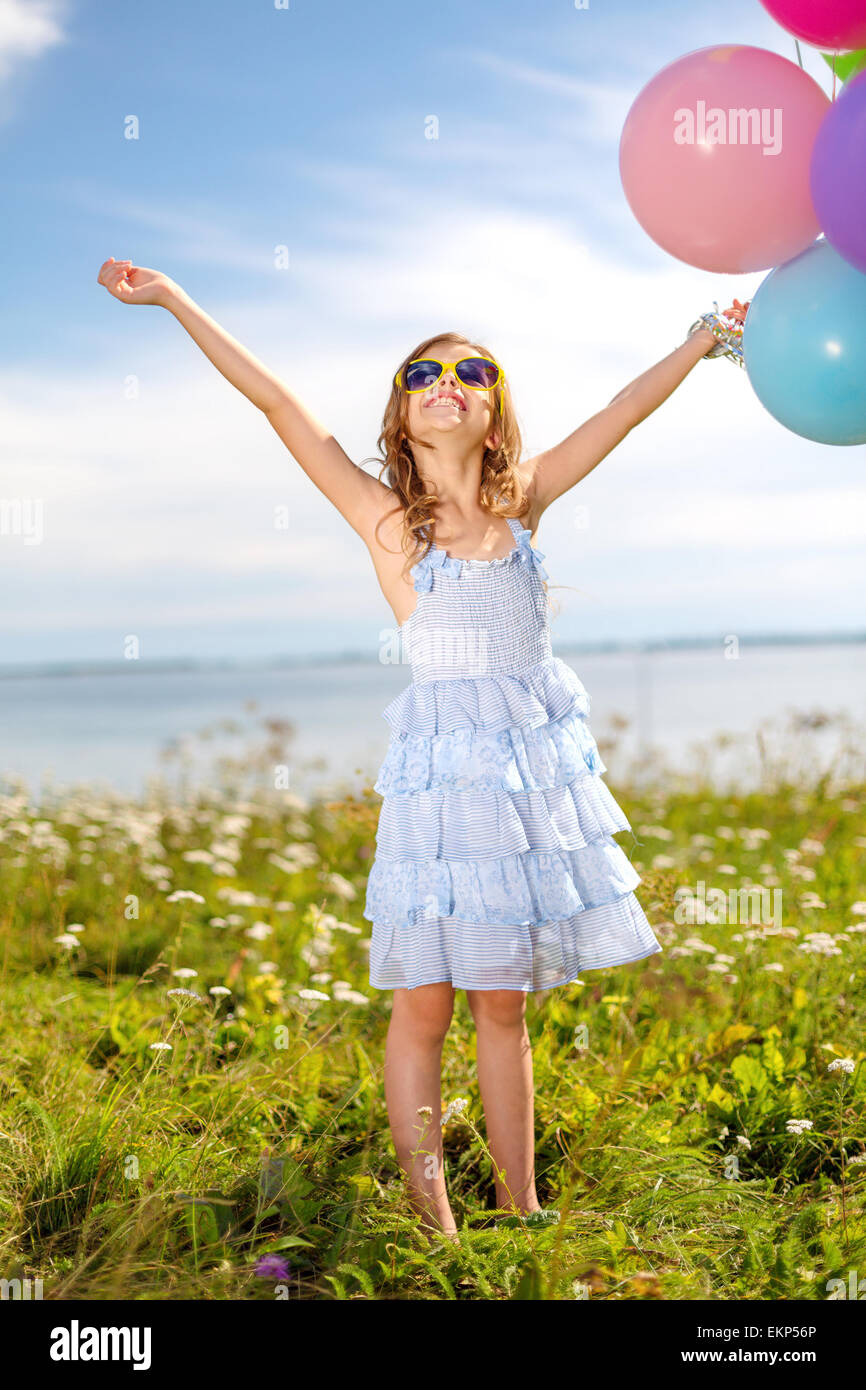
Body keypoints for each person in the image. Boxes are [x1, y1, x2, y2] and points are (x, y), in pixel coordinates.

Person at [97, 257, 748, 1236]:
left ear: (494, 412)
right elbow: (279, 405)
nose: (447, 384)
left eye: (471, 372)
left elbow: (623, 407)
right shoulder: (390, 525)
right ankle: (432, 1217)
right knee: (422, 1012)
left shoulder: (522, 503)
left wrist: (706, 338)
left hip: (518, 799)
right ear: (400, 415)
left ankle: (521, 1207)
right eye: (423, 375)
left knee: (502, 1009)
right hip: (437, 802)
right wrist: (177, 300)